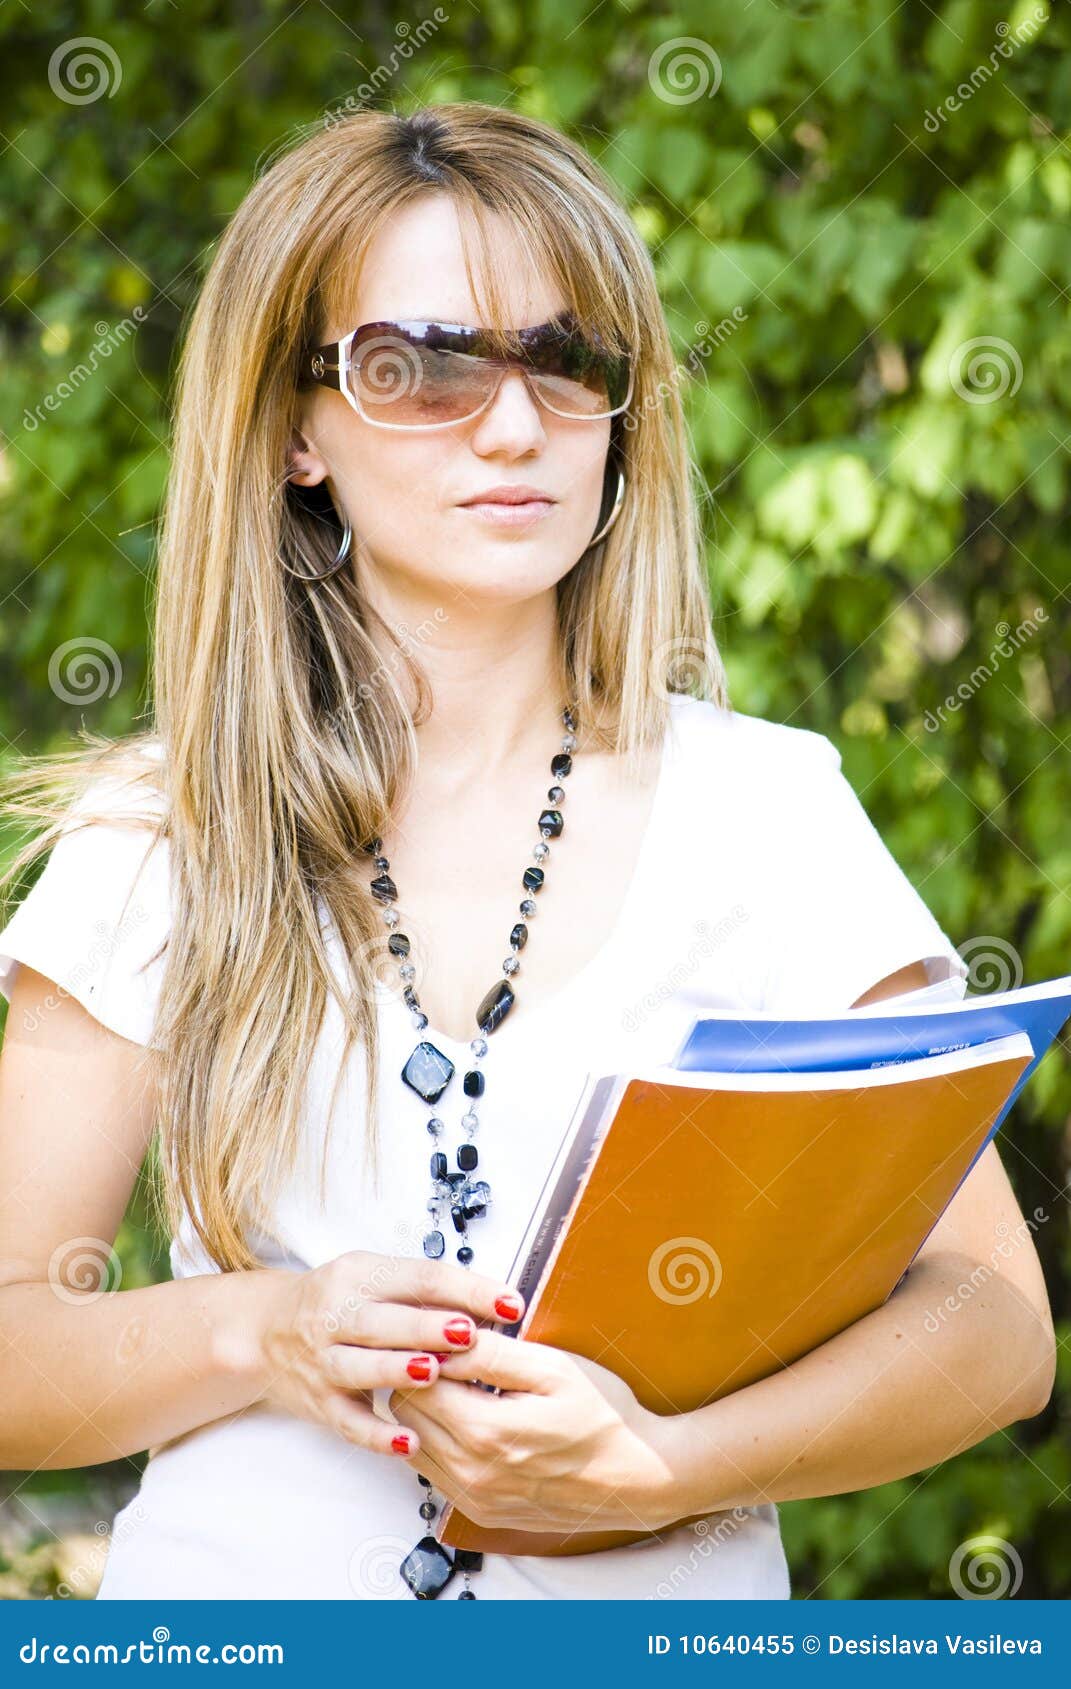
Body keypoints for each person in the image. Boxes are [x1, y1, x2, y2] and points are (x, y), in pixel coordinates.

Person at [0, 104, 1055, 1602]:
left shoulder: (769, 812)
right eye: (417, 365)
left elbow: (998, 1331)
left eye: (565, 360)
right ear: (293, 426)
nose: (511, 424)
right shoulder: (152, 838)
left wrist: (663, 1467)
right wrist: (263, 1330)